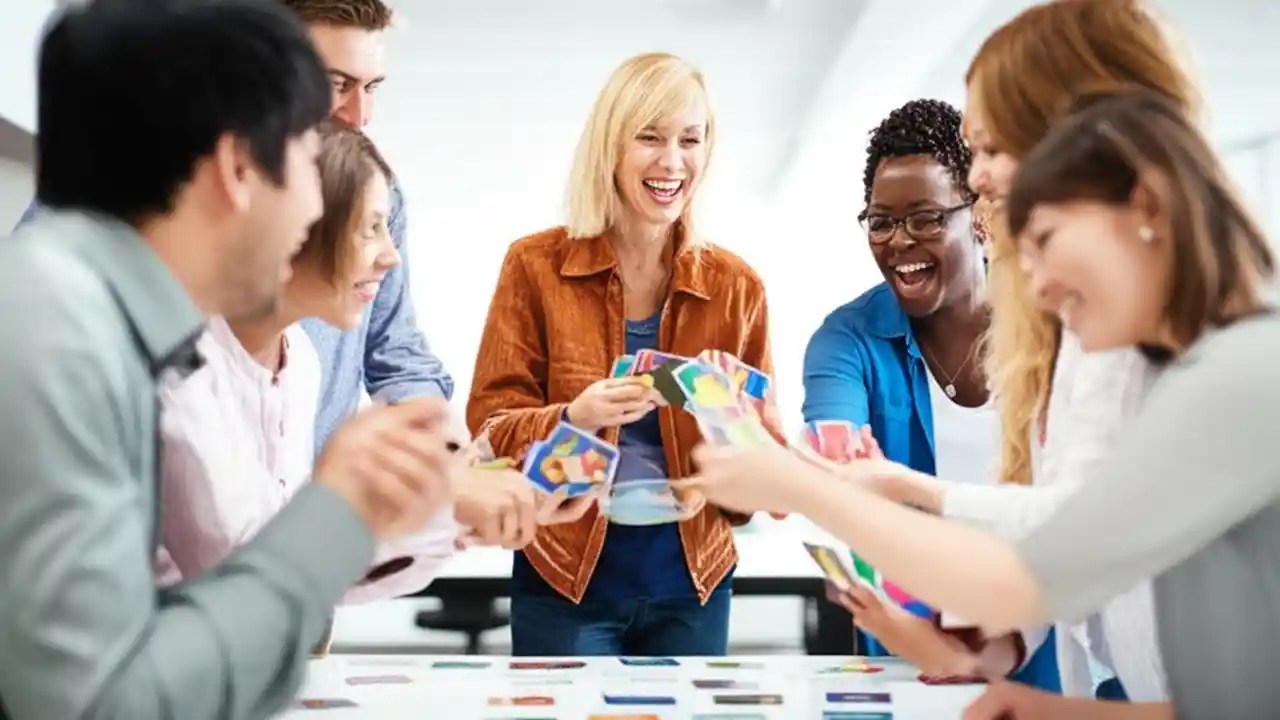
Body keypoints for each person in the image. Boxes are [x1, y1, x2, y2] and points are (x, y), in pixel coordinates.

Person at [680, 89, 1280, 720]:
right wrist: (1028, 696)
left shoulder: (1240, 377)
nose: (1039, 283)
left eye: (1044, 237)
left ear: (1144, 212)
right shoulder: (1181, 374)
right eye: (881, 221)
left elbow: (1040, 564)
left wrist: (801, 486)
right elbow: (1215, 695)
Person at [0, 3, 455, 719]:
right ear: (238, 166)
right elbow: (98, 701)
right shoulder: (62, 338)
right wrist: (339, 510)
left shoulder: (105, 320)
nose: (320, 207)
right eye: (312, 153)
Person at [823, 0, 1200, 703]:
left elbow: (1082, 523)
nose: (981, 178)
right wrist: (989, 645)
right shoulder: (1080, 324)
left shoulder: (1199, 331)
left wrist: (896, 489)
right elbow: (1061, 527)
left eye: (992, 148)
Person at [156, 122, 585, 627]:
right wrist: (448, 501)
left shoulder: (299, 363)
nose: (391, 255)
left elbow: (316, 569)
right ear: (301, 226)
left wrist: (465, 514)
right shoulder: (183, 365)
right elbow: (239, 568)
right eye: (371, 228)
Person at [13, 0, 453, 459]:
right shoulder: (139, 191)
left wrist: (449, 462)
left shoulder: (300, 364)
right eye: (336, 84)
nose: (359, 116)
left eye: (372, 87)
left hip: (297, 509)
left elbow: (398, 354)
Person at [466, 52, 774, 657]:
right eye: (650, 137)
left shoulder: (738, 285)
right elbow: (489, 429)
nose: (672, 160)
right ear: (610, 147)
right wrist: (572, 417)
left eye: (691, 139)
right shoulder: (534, 267)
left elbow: (763, 445)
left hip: (693, 576)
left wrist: (732, 442)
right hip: (564, 574)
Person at [801, 98, 1057, 689]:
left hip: (1047, 644)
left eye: (925, 218)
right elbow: (835, 450)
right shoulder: (848, 340)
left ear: (979, 215)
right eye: (881, 220)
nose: (898, 241)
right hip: (910, 656)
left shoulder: (1050, 329)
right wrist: (817, 467)